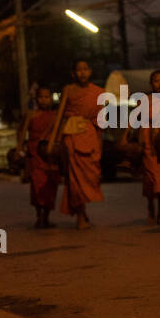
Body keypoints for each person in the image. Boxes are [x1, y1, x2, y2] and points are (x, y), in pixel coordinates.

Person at [50, 59, 104, 229]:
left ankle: (83, 212)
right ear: (73, 73)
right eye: (79, 70)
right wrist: (53, 140)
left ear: (90, 72)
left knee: (90, 177)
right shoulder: (68, 89)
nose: (82, 73)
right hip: (72, 135)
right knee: (74, 179)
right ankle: (80, 216)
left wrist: (100, 143)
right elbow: (59, 115)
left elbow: (100, 120)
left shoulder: (98, 92)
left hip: (90, 134)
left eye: (85, 69)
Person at [123, 69, 160, 224]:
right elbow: (134, 119)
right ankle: (151, 208)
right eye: (156, 81)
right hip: (148, 142)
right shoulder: (144, 100)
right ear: (151, 83)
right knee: (151, 178)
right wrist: (125, 136)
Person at [19, 85, 61, 228]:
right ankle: (39, 215)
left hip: (50, 154)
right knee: (37, 186)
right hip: (35, 154)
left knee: (51, 185)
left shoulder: (56, 115)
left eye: (47, 97)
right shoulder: (30, 115)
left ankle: (46, 216)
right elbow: (22, 132)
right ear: (36, 99)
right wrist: (19, 149)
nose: (44, 100)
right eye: (41, 97)